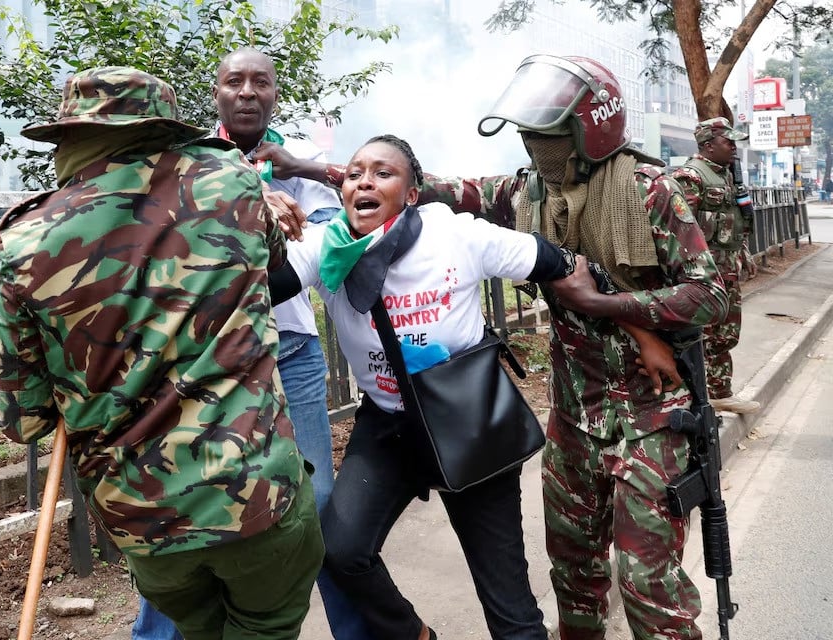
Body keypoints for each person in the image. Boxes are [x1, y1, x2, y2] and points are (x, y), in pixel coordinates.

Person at [260, 56, 729, 640]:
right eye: (530, 136)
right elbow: (419, 186)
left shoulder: (648, 191)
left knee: (642, 583)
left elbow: (699, 294)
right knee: (575, 576)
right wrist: (281, 181)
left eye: (549, 135)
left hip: (633, 408)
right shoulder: (521, 192)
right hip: (565, 411)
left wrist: (629, 319)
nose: (536, 147)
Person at [0, 66, 323, 639]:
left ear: (71, 138)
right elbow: (272, 262)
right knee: (264, 625)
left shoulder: (24, 244)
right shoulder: (234, 185)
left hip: (144, 524)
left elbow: (25, 420)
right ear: (164, 128)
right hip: (258, 499)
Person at [270, 133, 591, 640]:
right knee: (340, 551)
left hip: (467, 420)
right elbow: (273, 283)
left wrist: (626, 320)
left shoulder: (455, 235)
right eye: (354, 174)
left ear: (412, 193)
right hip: (388, 425)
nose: (365, 182)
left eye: (383, 172)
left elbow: (553, 260)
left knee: (509, 608)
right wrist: (248, 209)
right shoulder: (327, 247)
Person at [132, 46, 373, 640]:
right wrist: (246, 208)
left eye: (258, 82)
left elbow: (354, 221)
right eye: (233, 81)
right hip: (204, 359)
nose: (246, 91)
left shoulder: (307, 162)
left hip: (287, 349)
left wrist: (303, 177)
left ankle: (359, 631)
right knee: (184, 506)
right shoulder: (185, 163)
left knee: (316, 500)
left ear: (272, 93)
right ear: (215, 93)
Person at [671, 117, 760, 415]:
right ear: (708, 146)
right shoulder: (691, 176)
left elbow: (734, 221)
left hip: (728, 268)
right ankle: (698, 396)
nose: (734, 147)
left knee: (725, 334)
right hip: (706, 274)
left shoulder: (726, 175)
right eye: (728, 141)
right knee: (704, 334)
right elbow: (683, 229)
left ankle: (720, 392)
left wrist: (743, 253)